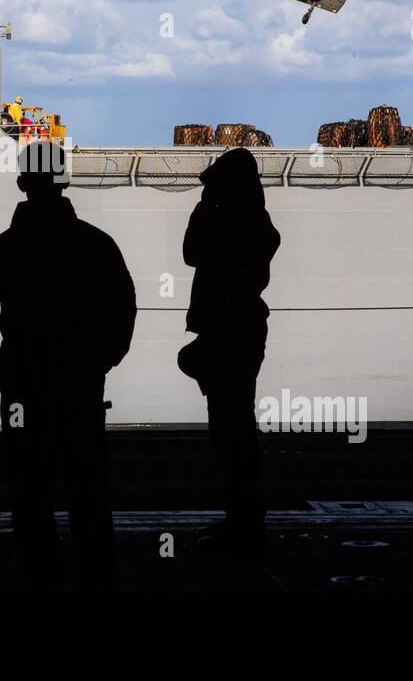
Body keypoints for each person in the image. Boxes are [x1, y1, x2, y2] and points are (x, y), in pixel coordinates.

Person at [0, 141, 136, 589]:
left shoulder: (0, 250)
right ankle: (98, 577)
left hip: (23, 387)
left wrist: (0, 369)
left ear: (22, 182)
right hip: (80, 385)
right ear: (64, 180)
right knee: (88, 492)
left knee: (29, 495)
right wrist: (103, 360)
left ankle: (43, 579)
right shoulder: (97, 245)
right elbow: (123, 308)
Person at [181, 148, 281, 562]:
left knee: (231, 433)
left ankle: (243, 523)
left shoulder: (221, 220)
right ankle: (243, 518)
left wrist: (203, 207)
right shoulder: (258, 224)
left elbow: (190, 253)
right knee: (235, 429)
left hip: (226, 333)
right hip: (240, 331)